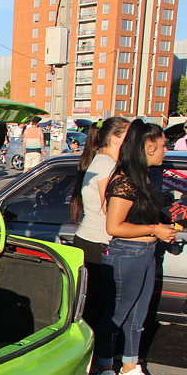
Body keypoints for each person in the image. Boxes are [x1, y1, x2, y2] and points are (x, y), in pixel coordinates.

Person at [94, 120, 177, 375]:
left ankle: (130, 368)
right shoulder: (124, 180)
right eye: (163, 145)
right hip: (126, 254)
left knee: (138, 315)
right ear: (149, 146)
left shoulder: (144, 177)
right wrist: (155, 229)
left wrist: (163, 225)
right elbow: (114, 227)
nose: (166, 150)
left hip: (146, 252)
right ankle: (105, 369)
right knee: (116, 315)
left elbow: (140, 217)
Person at [69, 117, 130, 332]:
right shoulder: (107, 165)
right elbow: (109, 208)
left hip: (91, 239)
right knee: (96, 308)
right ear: (115, 139)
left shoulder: (101, 161)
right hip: (98, 243)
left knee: (92, 306)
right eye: (129, 135)